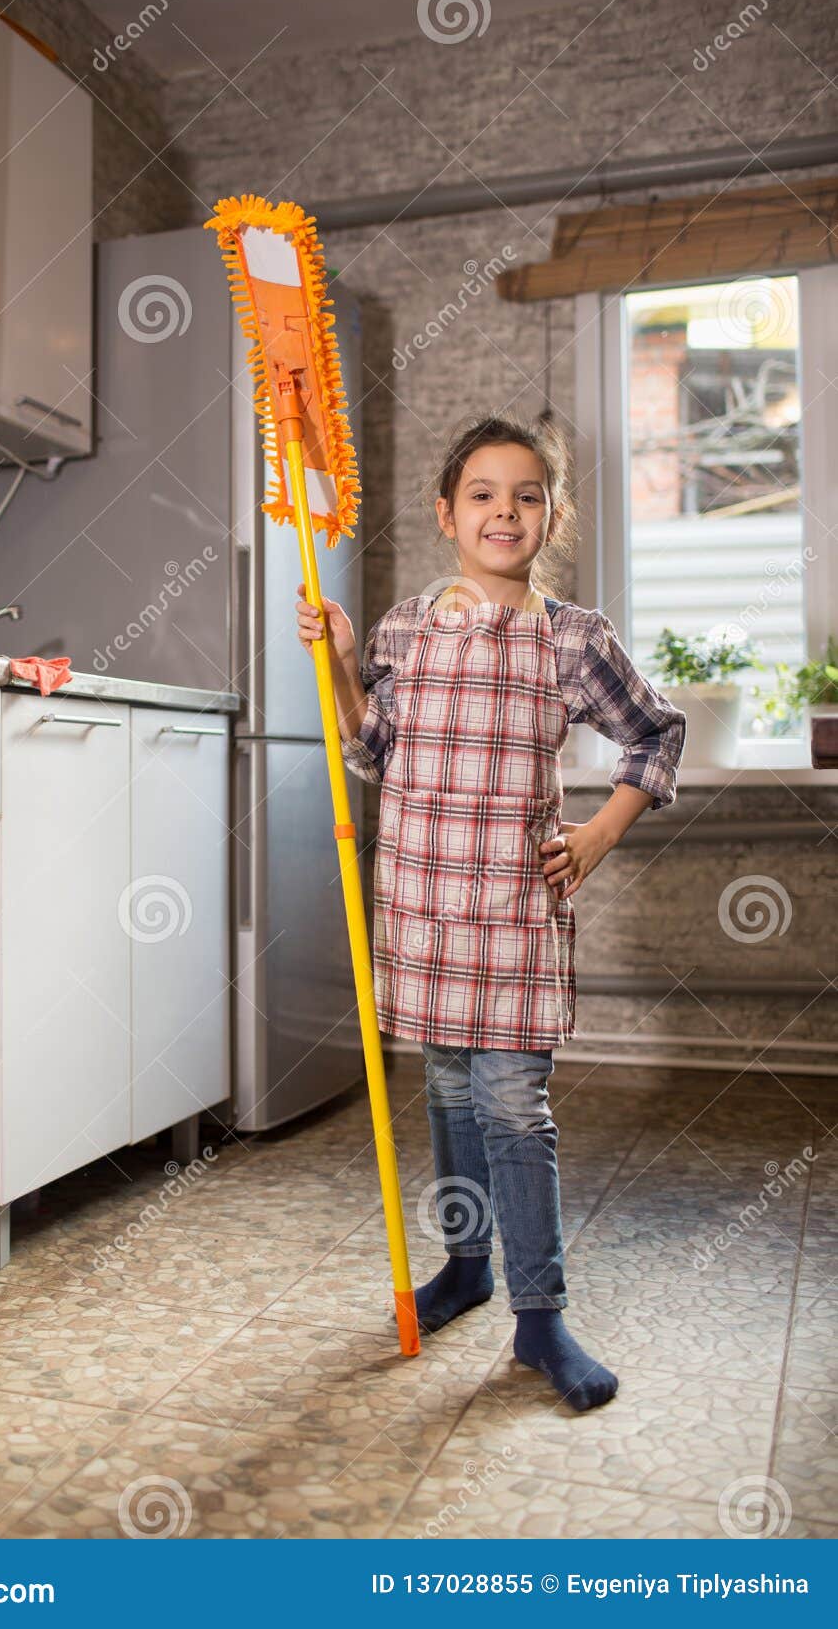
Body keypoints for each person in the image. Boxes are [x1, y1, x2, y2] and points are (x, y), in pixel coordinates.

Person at [295, 412, 686, 1412]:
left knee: (514, 1107)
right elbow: (374, 751)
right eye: (481, 493)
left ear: (549, 516)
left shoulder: (572, 637)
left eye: (523, 495)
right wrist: (340, 666)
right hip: (421, 909)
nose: (502, 510)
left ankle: (539, 1318)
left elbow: (652, 735)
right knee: (450, 1096)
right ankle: (466, 1266)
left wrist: (597, 833)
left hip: (513, 914)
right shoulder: (401, 627)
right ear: (445, 512)